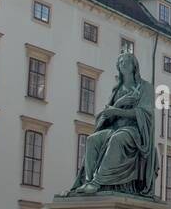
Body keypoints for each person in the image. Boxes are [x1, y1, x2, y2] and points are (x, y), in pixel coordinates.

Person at [67, 52, 158, 196]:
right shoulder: (117, 90)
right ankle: (88, 181)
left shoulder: (146, 87)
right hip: (115, 128)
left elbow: (144, 114)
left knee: (118, 139)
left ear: (134, 66)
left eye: (127, 61)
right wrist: (118, 104)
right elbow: (107, 115)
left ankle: (97, 183)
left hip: (134, 131)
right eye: (121, 62)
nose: (123, 64)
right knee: (92, 140)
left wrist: (117, 111)